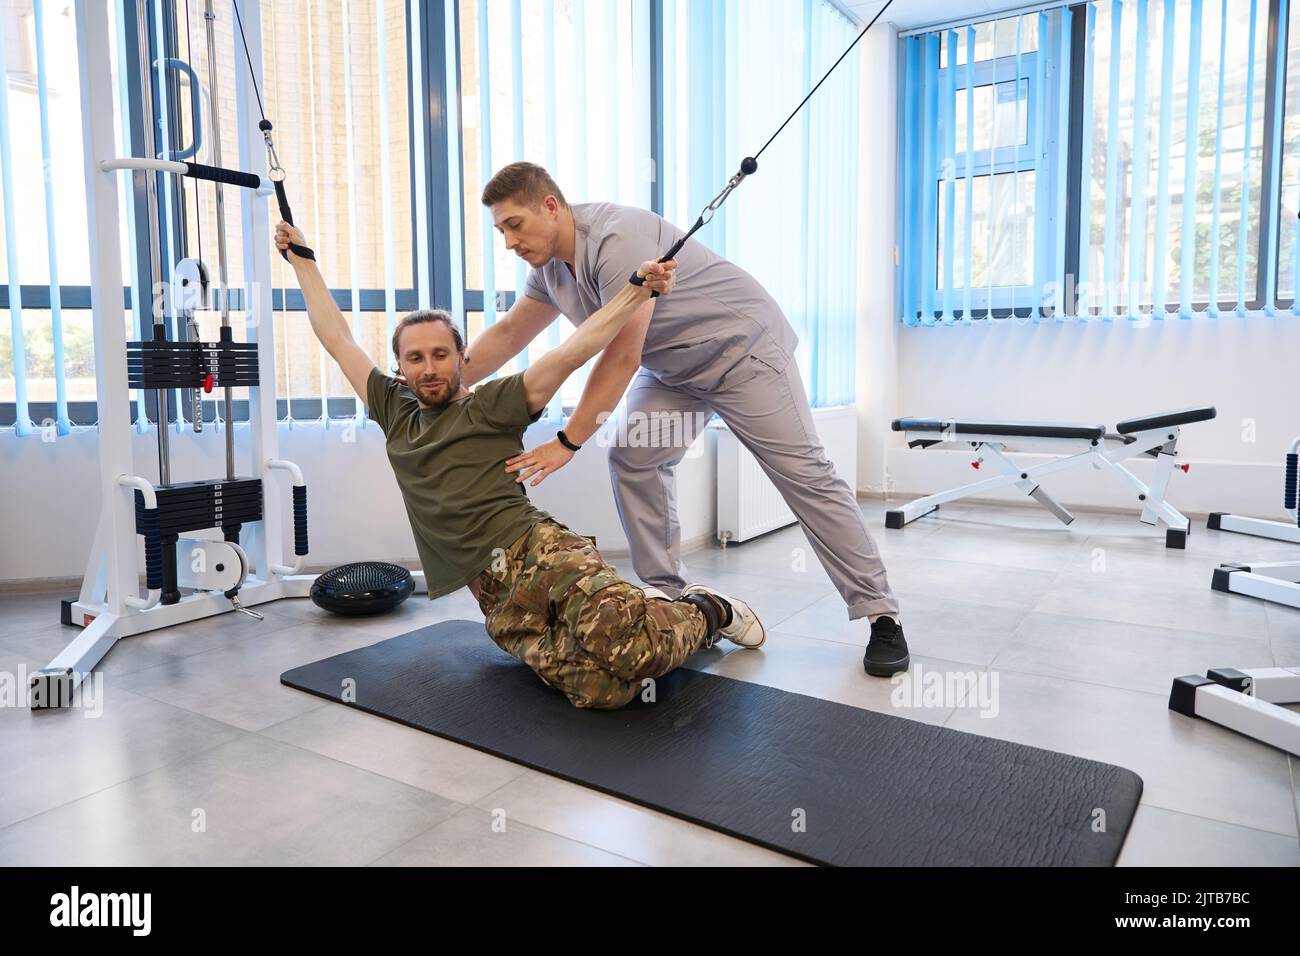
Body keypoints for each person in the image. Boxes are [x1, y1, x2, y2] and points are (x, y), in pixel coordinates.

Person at [274, 220, 764, 710]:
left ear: (461, 356)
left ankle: (708, 610)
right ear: (399, 368)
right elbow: (336, 337)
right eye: (416, 358)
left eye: (441, 354)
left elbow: (574, 351)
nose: (429, 368)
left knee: (632, 650)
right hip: (492, 593)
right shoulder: (393, 409)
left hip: (538, 551)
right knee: (604, 691)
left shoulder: (492, 404)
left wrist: (635, 291)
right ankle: (640, 613)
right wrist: (304, 260)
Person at [461, 161, 908, 677]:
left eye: (514, 224)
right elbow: (511, 332)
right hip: (674, 370)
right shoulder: (549, 272)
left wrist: (567, 441)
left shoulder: (614, 237)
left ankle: (881, 614)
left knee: (806, 477)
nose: (509, 240)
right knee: (634, 459)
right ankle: (672, 599)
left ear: (551, 206)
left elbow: (621, 356)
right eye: (500, 230)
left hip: (743, 352)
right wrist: (448, 380)